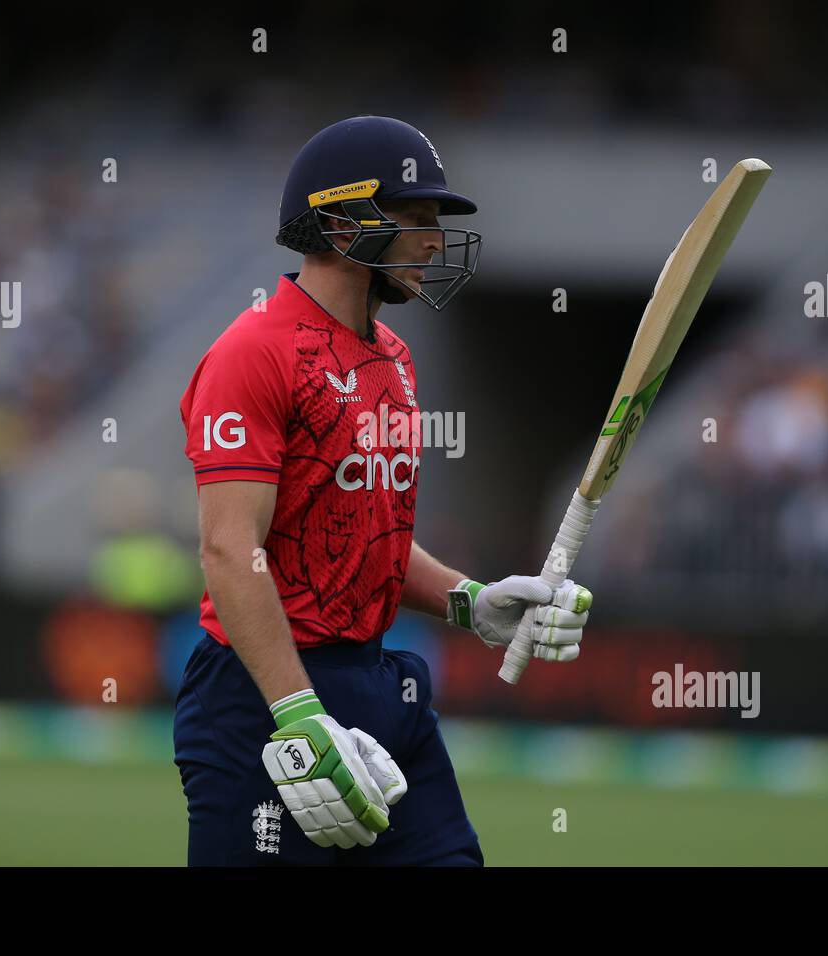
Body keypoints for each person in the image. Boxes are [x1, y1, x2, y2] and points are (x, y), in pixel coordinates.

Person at [175, 115, 593, 865]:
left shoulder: (393, 355)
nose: (435, 239)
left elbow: (368, 537)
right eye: (417, 217)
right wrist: (296, 713)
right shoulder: (253, 353)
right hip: (262, 694)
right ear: (341, 224)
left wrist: (471, 600)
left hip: (380, 681)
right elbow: (229, 551)